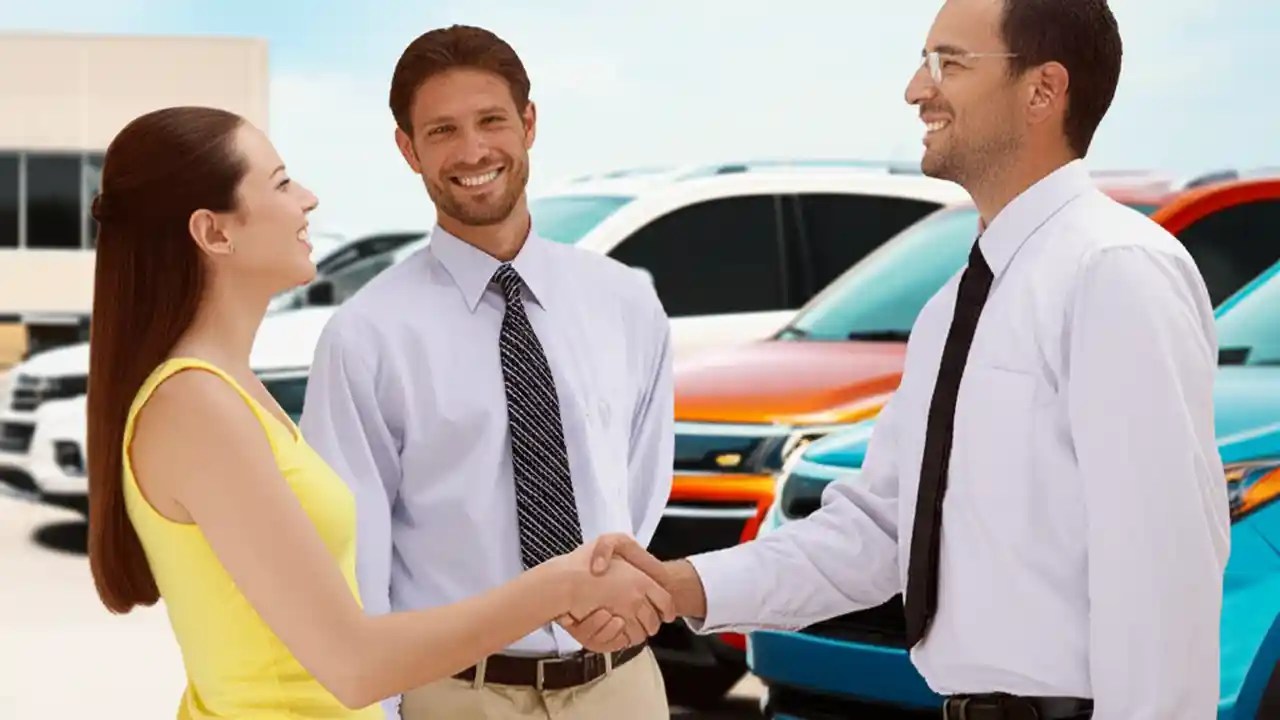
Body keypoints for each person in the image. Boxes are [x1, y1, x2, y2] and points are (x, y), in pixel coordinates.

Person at [582, 1, 1231, 718]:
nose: (916, 90)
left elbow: (1161, 574)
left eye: (948, 63)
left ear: (1043, 90)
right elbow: (879, 532)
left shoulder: (1115, 270)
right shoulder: (957, 304)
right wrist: (679, 585)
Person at [83, 105, 675, 720]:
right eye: (282, 184)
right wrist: (562, 584)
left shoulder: (226, 391)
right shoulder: (196, 407)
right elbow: (352, 664)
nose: (308, 200)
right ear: (215, 232)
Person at [297, 25, 675, 720]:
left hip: (621, 688)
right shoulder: (366, 335)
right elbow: (356, 561)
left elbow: (639, 491)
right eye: (442, 131)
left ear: (528, 124)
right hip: (457, 696)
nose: (473, 152)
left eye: (491, 121)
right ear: (408, 150)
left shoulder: (625, 301)